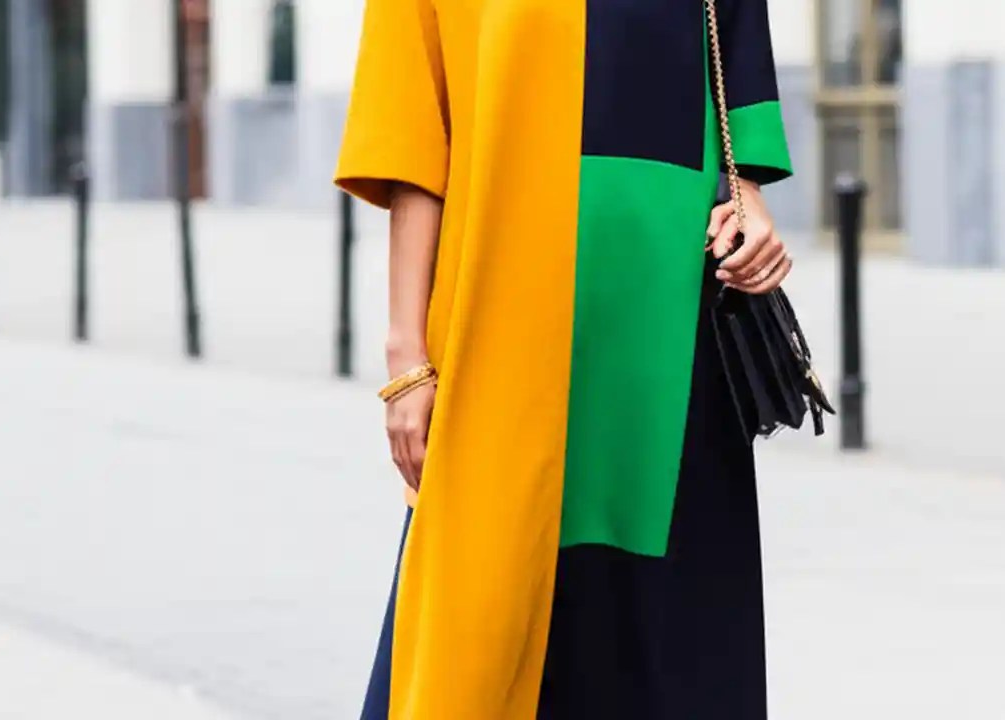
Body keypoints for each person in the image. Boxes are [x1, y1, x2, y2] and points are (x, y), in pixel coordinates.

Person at [335, 0, 794, 717]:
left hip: (666, 310)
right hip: (501, 314)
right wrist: (406, 355)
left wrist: (750, 202)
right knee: (482, 615)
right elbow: (413, 134)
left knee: (668, 625)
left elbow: (730, 50)